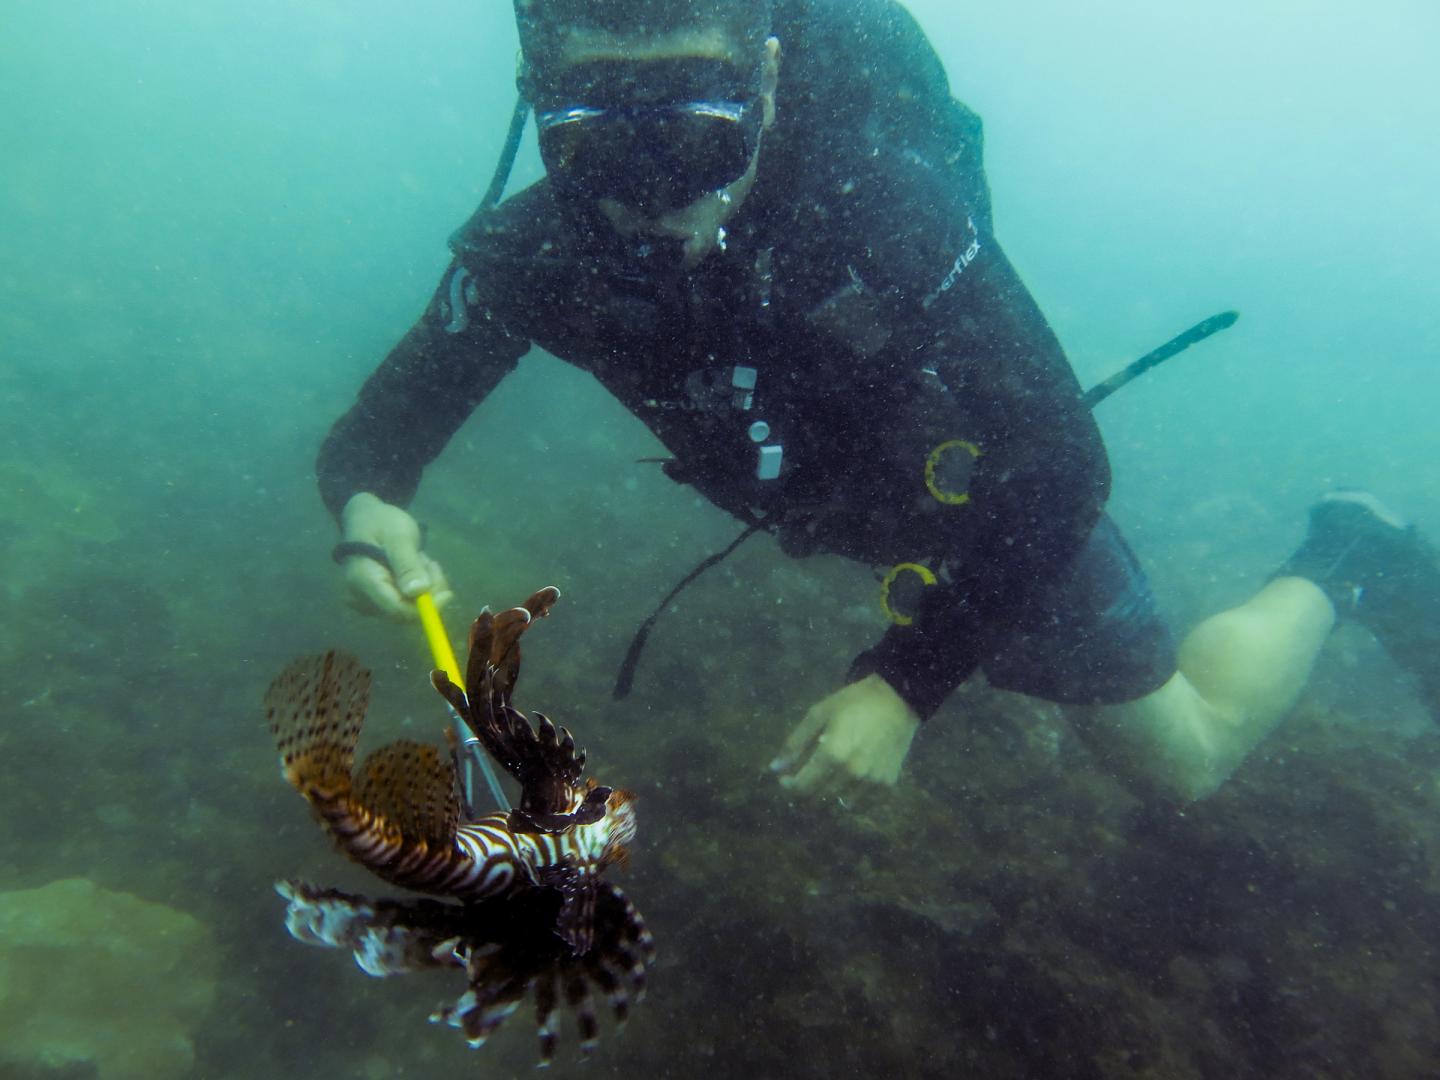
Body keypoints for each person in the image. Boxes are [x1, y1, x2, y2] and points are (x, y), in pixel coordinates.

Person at [317, 0, 1440, 805]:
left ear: (763, 76)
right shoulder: (541, 250)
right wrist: (368, 514)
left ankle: (1347, 553)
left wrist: (905, 686)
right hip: (834, 505)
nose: (654, 195)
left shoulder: (880, 204)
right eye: (599, 140)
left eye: (694, 134)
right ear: (541, 107)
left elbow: (1061, 470)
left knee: (1187, 758)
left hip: (991, 511)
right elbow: (377, 439)